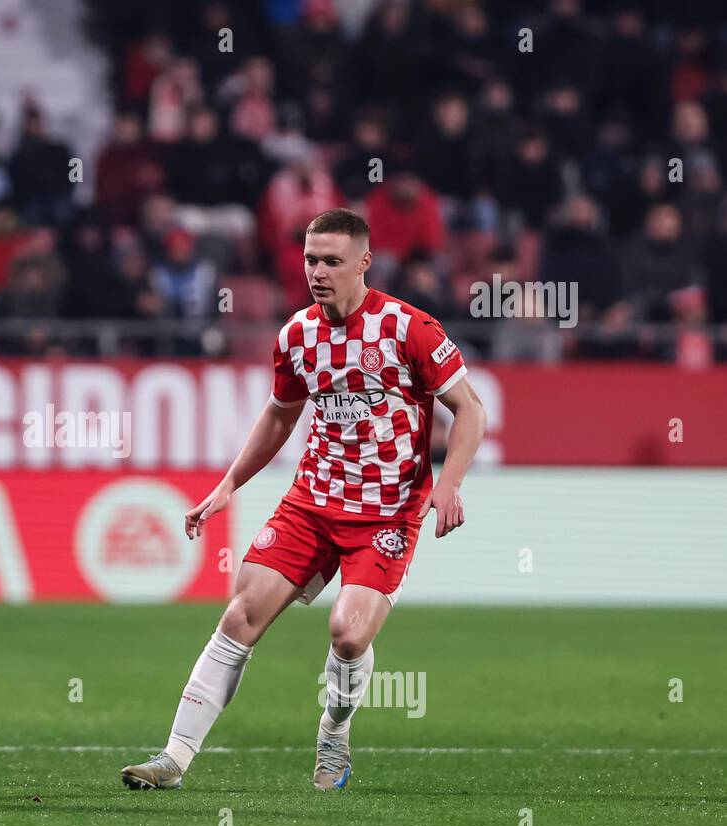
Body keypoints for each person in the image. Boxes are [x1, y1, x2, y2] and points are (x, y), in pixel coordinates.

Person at [120, 208, 485, 791]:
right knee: (241, 613)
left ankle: (334, 733)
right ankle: (174, 758)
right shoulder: (297, 334)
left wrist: (450, 483)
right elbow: (280, 414)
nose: (317, 271)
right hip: (312, 502)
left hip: (386, 512)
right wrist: (227, 485)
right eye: (311, 259)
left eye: (332, 261)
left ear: (364, 262)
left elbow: (469, 408)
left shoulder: (408, 328)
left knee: (348, 633)